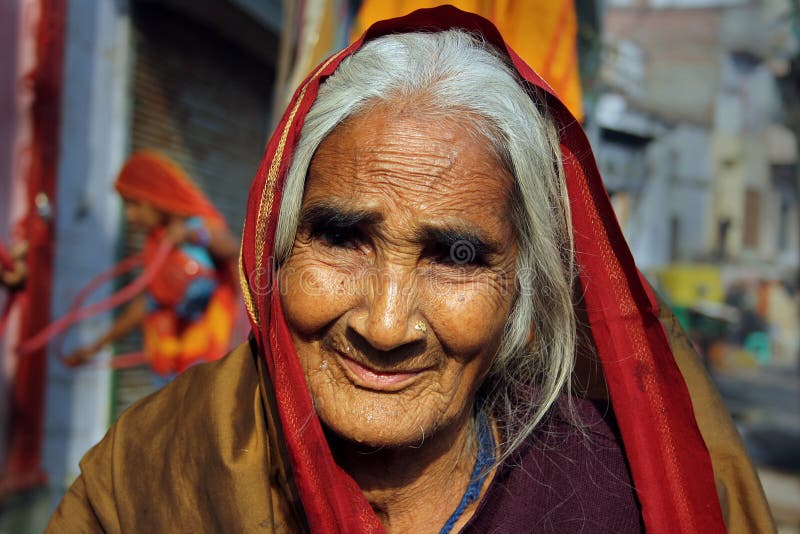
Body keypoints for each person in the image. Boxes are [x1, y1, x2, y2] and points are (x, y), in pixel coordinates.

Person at [47, 7, 773, 532]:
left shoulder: (610, 500)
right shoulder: (162, 464)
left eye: (457, 255)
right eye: (338, 235)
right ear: (275, 244)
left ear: (524, 290)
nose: (386, 324)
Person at [63, 151, 239, 377]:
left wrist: (191, 235)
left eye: (134, 204)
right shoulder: (155, 246)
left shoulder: (195, 225)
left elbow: (231, 247)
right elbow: (147, 302)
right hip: (174, 368)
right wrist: (95, 347)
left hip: (212, 364)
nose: (130, 215)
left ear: (156, 197)